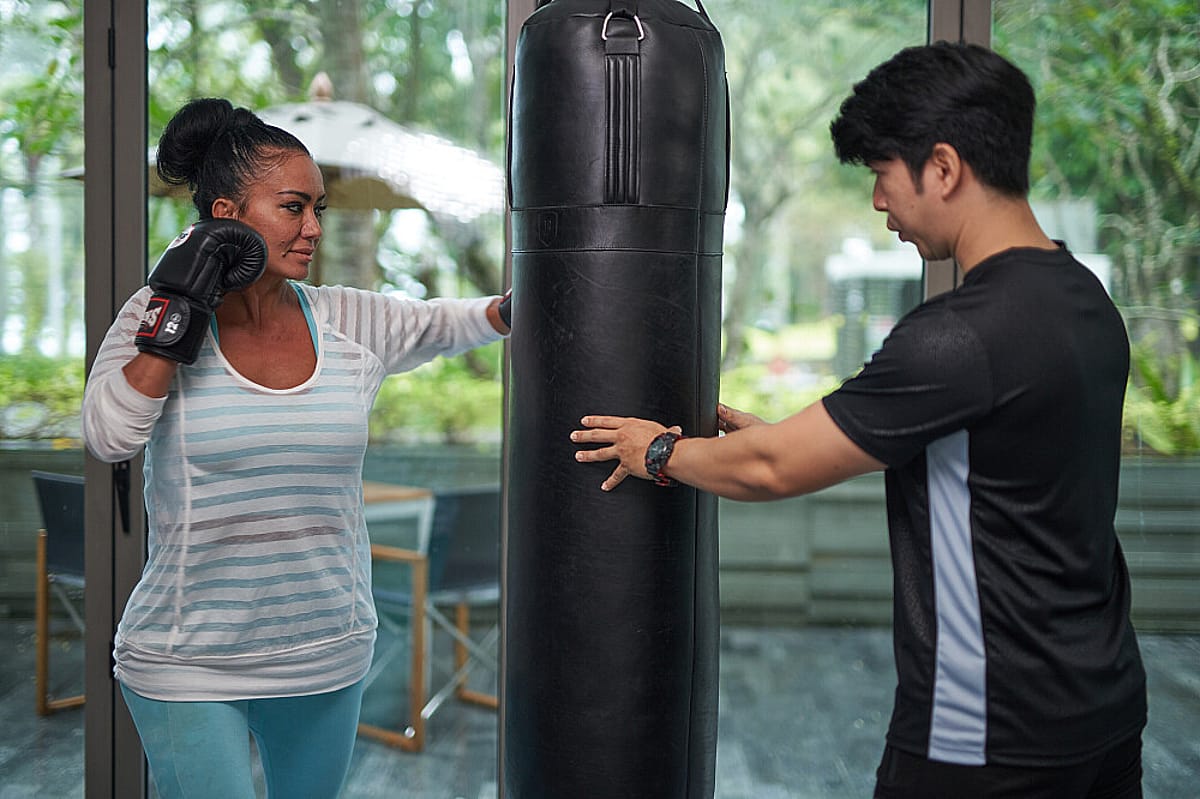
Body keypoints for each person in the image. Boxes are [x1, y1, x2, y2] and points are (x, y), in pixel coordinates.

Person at [571, 42, 1146, 799]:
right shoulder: (1086, 303)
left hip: (988, 732)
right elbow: (991, 457)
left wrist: (657, 450)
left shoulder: (958, 335)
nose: (879, 204)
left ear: (942, 168)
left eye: (882, 175)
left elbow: (771, 468)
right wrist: (781, 437)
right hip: (1104, 708)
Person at [81, 97, 511, 799]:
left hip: (327, 652)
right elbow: (110, 435)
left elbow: (453, 321)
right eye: (293, 207)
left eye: (319, 208)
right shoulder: (152, 312)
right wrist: (178, 310)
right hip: (189, 660)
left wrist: (549, 290)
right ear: (226, 215)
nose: (313, 227)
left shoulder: (344, 317)